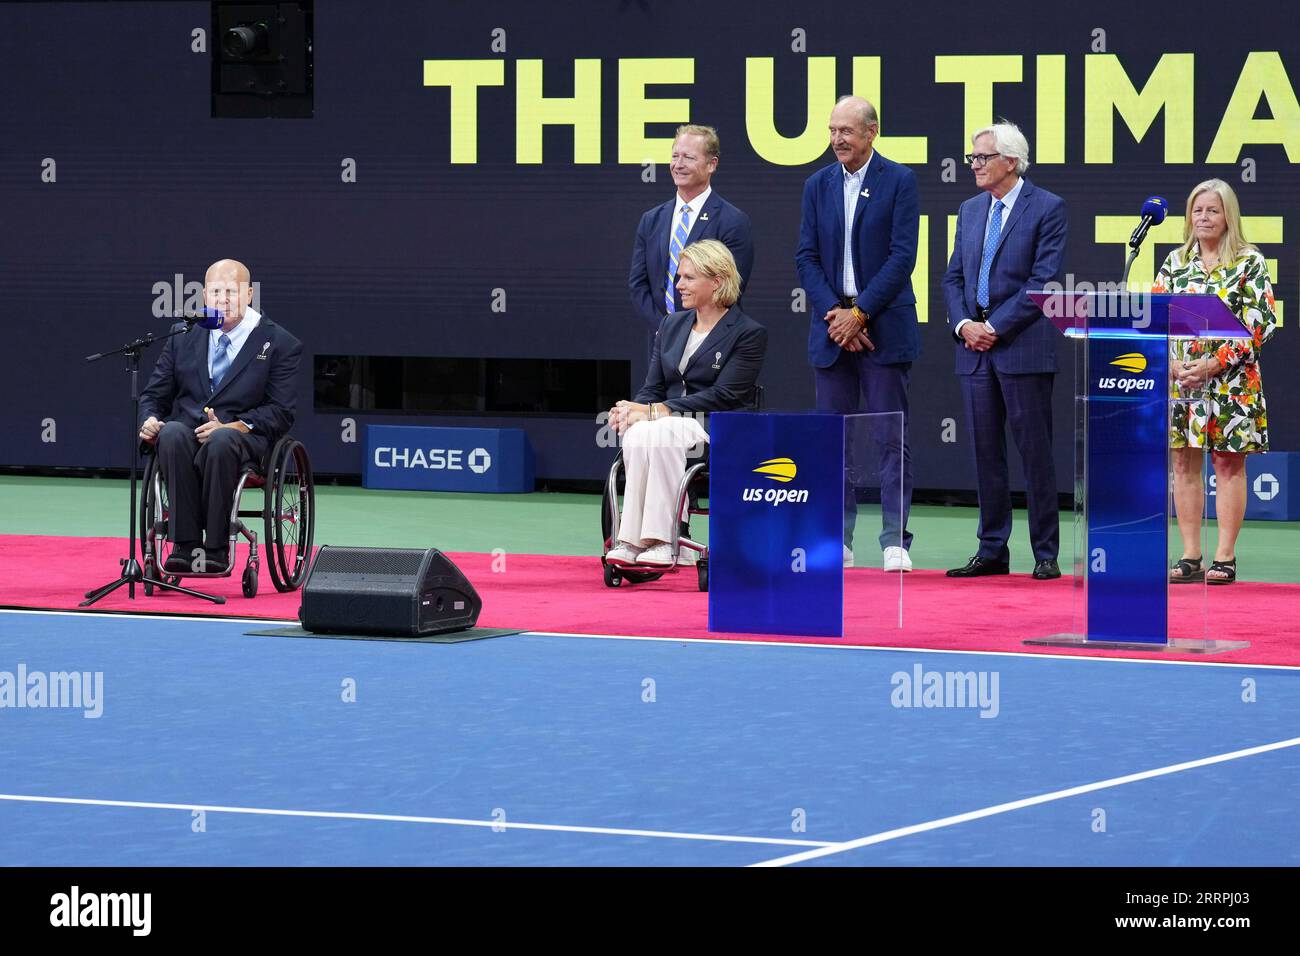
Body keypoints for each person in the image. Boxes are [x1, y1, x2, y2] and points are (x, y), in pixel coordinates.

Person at [795, 95, 919, 572]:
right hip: (831, 331)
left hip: (883, 327)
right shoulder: (816, 185)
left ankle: (894, 540)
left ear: (872, 132)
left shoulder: (900, 181)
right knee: (833, 439)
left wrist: (861, 313)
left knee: (891, 438)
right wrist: (835, 314)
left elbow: (902, 256)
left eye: (846, 131)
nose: (837, 140)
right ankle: (837, 538)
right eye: (832, 131)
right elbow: (805, 256)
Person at [941, 122, 1067, 581]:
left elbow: (1044, 281)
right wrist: (964, 325)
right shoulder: (970, 210)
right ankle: (992, 548)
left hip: (1023, 347)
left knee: (1035, 453)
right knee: (984, 452)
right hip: (973, 350)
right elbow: (954, 276)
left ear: (1009, 162)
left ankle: (1045, 551)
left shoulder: (1047, 207)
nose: (973, 165)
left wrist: (994, 326)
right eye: (973, 157)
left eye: (982, 158)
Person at [606, 239, 766, 568]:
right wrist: (631, 412)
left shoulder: (748, 333)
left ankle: (664, 540)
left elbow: (726, 395)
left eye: (688, 278)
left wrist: (658, 411)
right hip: (668, 428)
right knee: (637, 434)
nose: (679, 285)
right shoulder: (671, 324)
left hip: (718, 429)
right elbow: (653, 387)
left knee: (661, 431)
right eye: (679, 277)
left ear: (717, 281)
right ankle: (631, 541)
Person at [138, 259, 303, 574]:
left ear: (249, 294)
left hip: (241, 440)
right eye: (216, 292)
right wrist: (149, 418)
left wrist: (234, 425)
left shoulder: (280, 342)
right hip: (187, 437)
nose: (223, 299)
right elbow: (154, 395)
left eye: (231, 291)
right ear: (204, 295)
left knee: (222, 440)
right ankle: (184, 546)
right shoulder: (182, 334)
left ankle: (216, 547)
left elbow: (281, 411)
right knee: (170, 433)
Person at [1158, 179, 1277, 585]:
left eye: (1212, 210)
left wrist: (1213, 362)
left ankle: (1224, 556)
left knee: (1227, 462)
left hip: (1231, 382)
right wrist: (1171, 362)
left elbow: (1259, 326)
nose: (1203, 217)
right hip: (1183, 380)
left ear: (1229, 216)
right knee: (1182, 461)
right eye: (1197, 210)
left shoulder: (1249, 262)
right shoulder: (1175, 263)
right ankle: (1191, 554)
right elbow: (1155, 318)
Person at [629, 124, 755, 335]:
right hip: (660, 344)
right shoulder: (651, 220)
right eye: (675, 156)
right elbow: (638, 285)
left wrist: (691, 332)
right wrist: (665, 331)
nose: (678, 165)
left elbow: (729, 290)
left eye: (688, 157)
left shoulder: (733, 221)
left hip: (711, 342)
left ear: (711, 164)